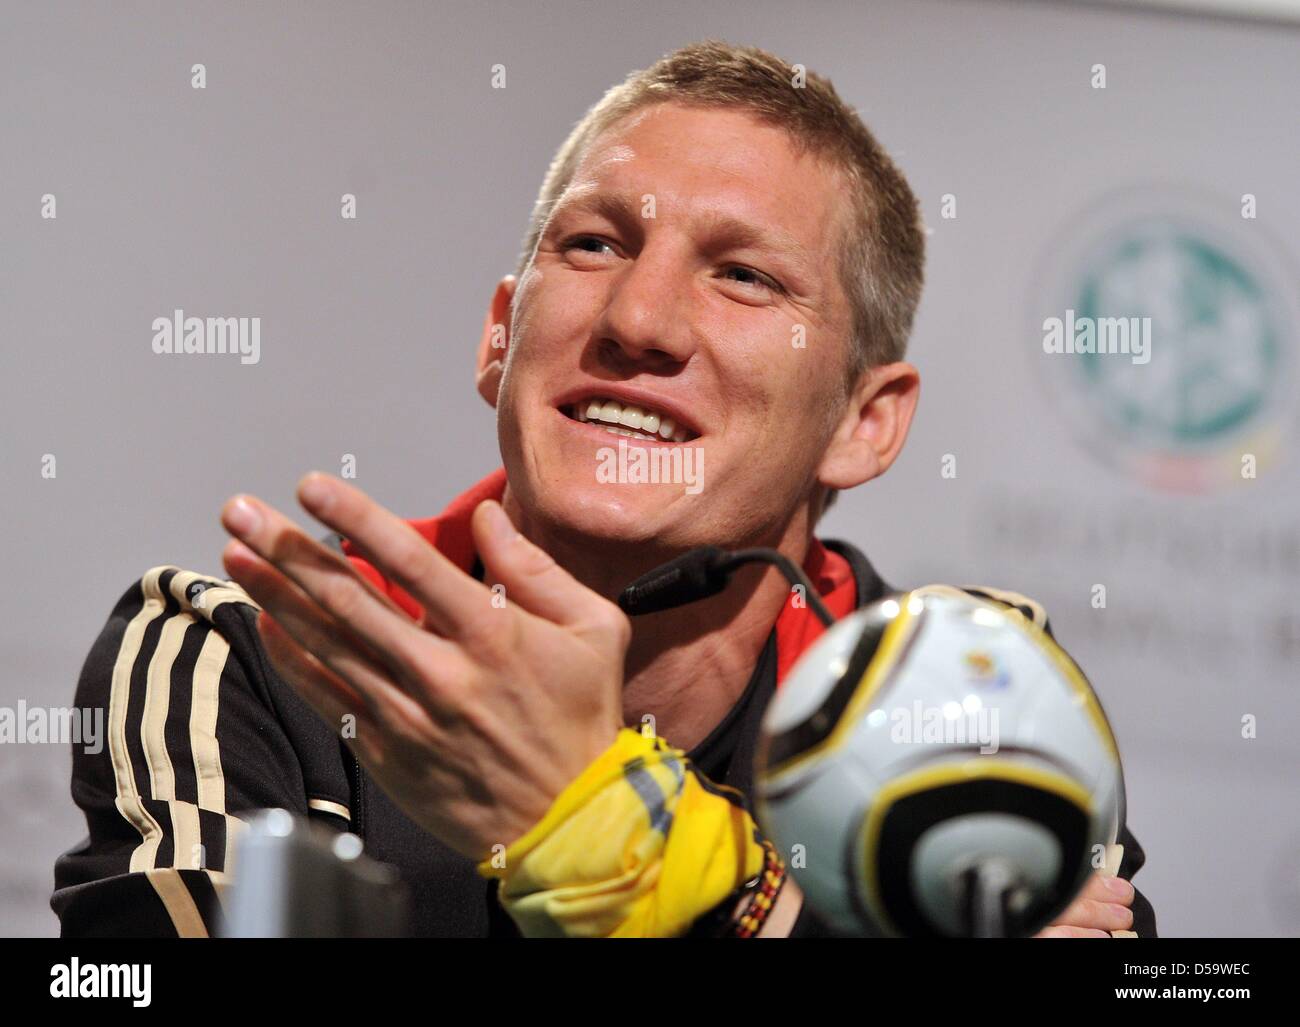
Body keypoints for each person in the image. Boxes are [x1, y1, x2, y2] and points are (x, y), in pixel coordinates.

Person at [52, 40, 1155, 938]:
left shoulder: (973, 691)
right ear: (500, 336)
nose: (636, 321)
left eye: (742, 275)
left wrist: (619, 843)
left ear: (864, 422)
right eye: (591, 244)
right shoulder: (240, 650)